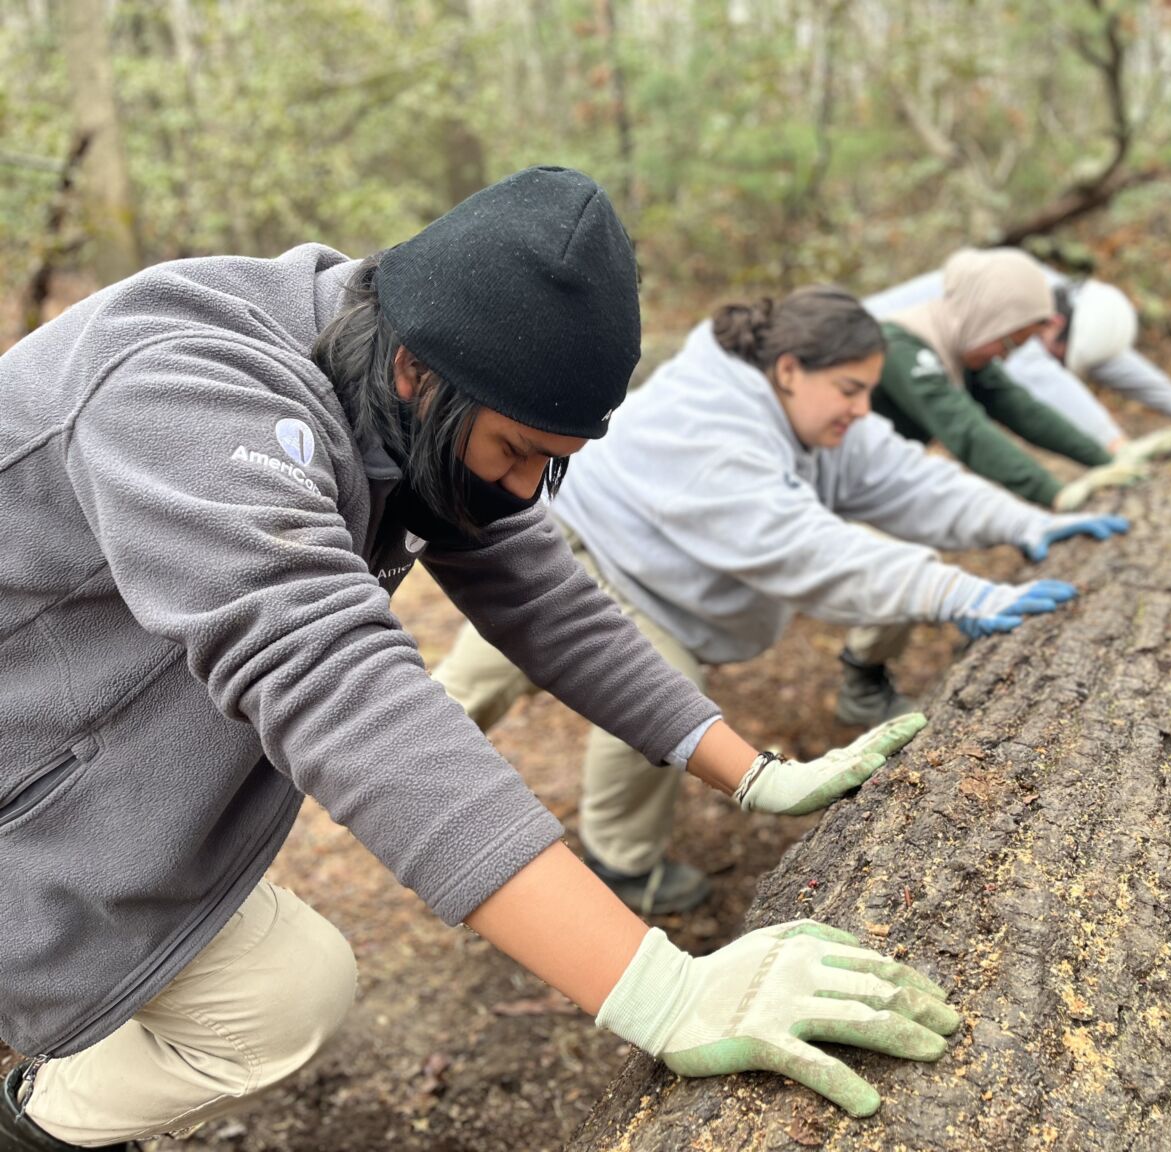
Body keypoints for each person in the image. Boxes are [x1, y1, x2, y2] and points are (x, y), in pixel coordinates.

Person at [0, 168, 953, 1150]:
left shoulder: (408, 373)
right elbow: (329, 674)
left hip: (80, 783)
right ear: (416, 376)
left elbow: (549, 601)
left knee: (282, 995)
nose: (528, 487)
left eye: (555, 461)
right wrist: (664, 993)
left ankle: (51, 1110)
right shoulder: (183, 388)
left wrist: (752, 773)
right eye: (518, 450)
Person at [431, 285, 1129, 902]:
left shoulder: (816, 417)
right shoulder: (712, 420)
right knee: (547, 690)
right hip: (578, 544)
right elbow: (803, 548)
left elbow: (913, 480)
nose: (862, 408)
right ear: (790, 369)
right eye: (851, 389)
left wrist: (1029, 522)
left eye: (868, 391)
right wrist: (955, 592)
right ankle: (467, 811)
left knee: (611, 683)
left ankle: (605, 854)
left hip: (644, 570)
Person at [864, 256, 1171, 455]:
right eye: (1059, 355)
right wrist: (1116, 447)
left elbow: (1110, 359)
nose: (1055, 361)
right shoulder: (1016, 308)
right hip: (866, 356)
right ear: (1055, 324)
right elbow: (1044, 381)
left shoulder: (1061, 298)